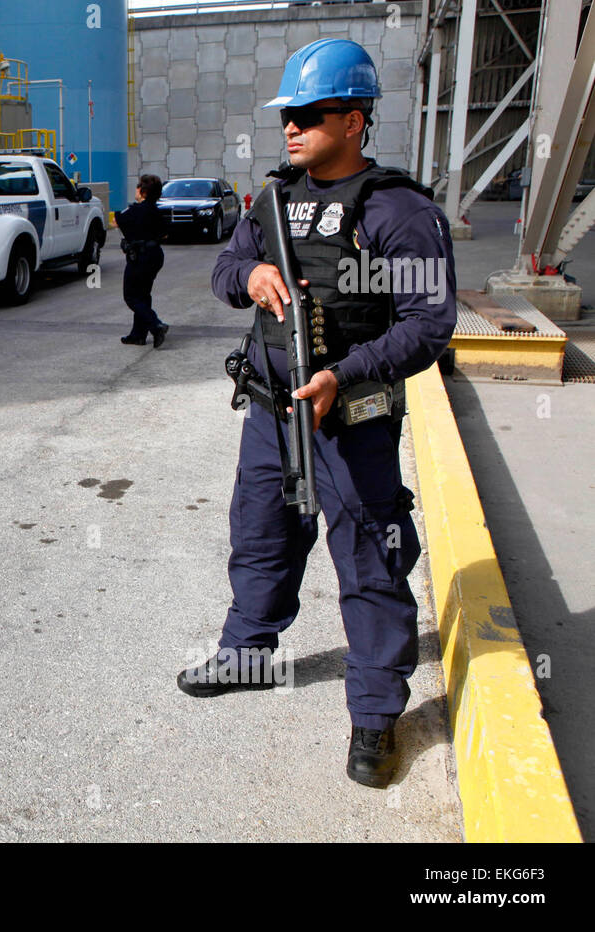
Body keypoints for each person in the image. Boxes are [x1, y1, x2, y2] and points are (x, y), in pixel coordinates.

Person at [176, 38, 458, 789]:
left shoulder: (399, 211)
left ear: (356, 120)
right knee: (260, 535)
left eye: (308, 115)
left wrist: (345, 371)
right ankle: (247, 653)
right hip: (270, 413)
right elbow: (223, 272)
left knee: (370, 560)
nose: (291, 128)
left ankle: (374, 715)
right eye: (286, 116)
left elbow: (428, 325)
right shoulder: (274, 200)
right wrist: (254, 274)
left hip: (353, 419)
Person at [115, 174, 169, 348]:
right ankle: (138, 335)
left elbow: (118, 220)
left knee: (131, 296)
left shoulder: (135, 210)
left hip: (140, 257)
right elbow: (165, 233)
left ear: (143, 191)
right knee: (143, 295)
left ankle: (156, 325)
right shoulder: (156, 210)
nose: (136, 189)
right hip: (155, 255)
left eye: (138, 186)